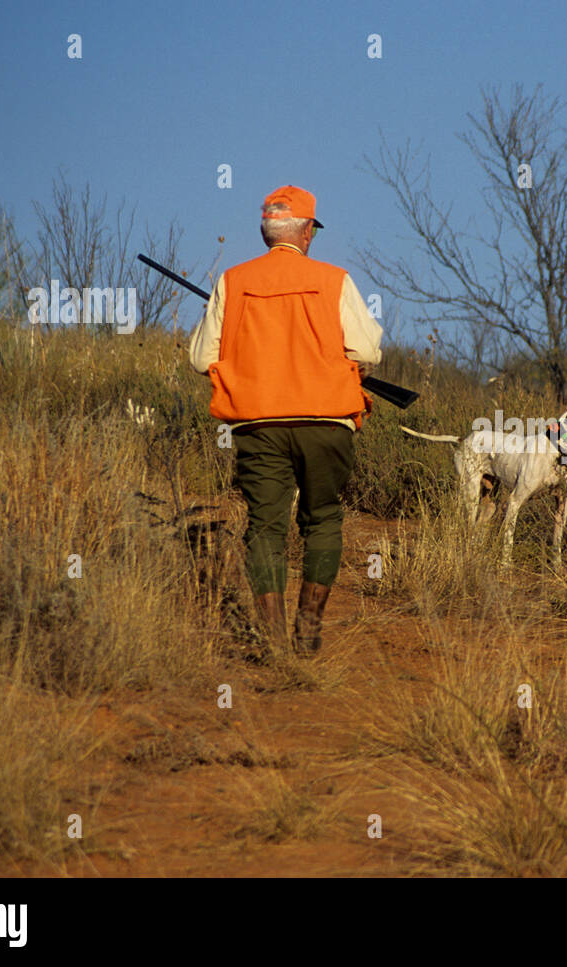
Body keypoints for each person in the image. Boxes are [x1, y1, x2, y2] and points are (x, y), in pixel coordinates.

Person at [189, 185, 382, 657]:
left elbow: (200, 358)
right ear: (307, 231)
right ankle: (308, 630)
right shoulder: (334, 279)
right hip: (327, 421)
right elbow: (367, 351)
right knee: (322, 518)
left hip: (258, 425)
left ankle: (273, 640)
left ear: (266, 231)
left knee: (265, 527)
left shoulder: (233, 281)